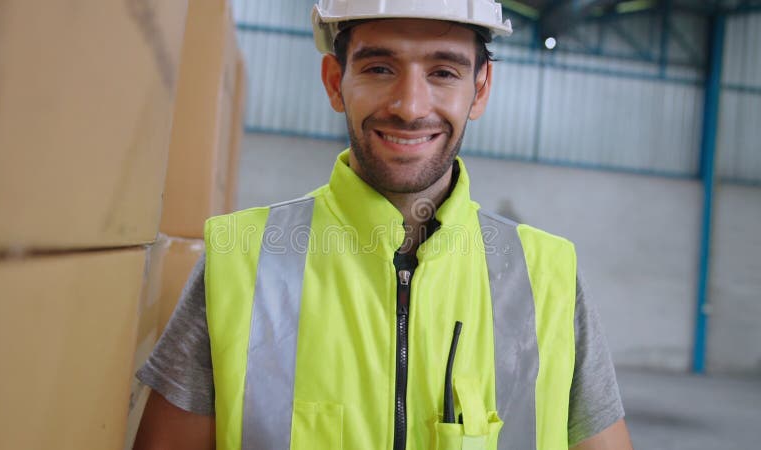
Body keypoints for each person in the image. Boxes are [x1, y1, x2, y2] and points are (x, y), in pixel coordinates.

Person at [133, 1, 634, 449]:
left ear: (480, 89)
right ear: (335, 82)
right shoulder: (241, 261)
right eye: (379, 68)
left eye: (443, 72)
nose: (410, 107)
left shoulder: (548, 278)